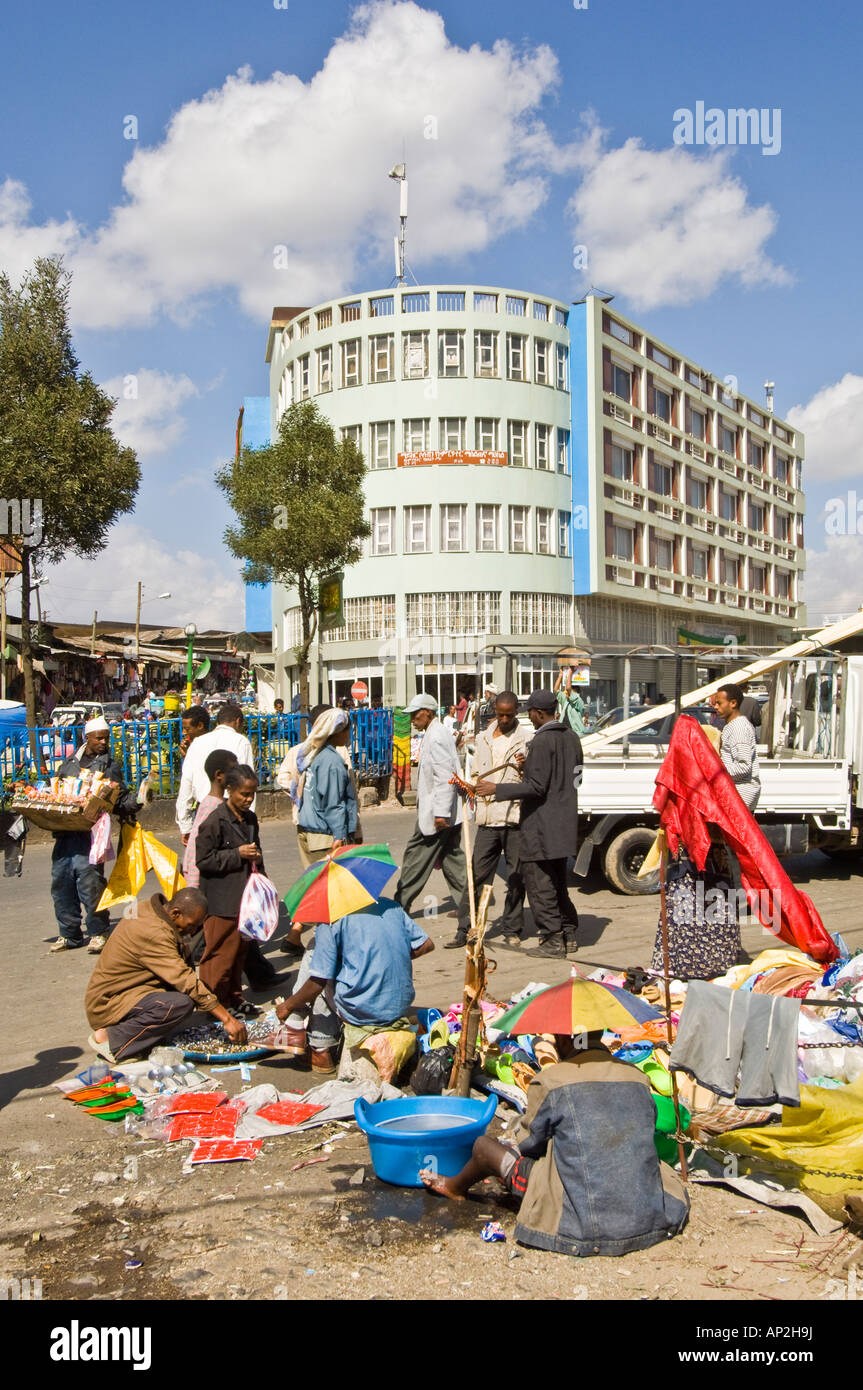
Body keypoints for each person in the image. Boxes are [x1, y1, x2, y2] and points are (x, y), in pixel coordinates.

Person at [420, 1031, 690, 1257]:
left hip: (581, 1226)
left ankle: (454, 1186)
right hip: (648, 1215)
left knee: (483, 1148)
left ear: (563, 1042)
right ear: (600, 1036)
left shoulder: (551, 1081)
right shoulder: (638, 1078)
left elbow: (528, 1145)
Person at [273, 896, 434, 1075]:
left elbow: (316, 983)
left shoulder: (331, 919)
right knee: (328, 962)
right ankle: (300, 1028)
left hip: (362, 1011)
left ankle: (319, 1047)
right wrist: (384, 958)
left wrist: (287, 1006)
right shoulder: (390, 906)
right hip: (398, 1005)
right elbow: (426, 944)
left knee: (315, 953)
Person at [85, 887, 248, 1063]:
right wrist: (227, 1019)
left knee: (190, 995)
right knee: (179, 1004)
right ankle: (111, 1040)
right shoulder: (154, 931)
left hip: (132, 990)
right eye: (191, 925)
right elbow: (184, 979)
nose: (193, 931)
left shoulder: (153, 910)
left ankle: (140, 1035)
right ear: (176, 913)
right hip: (108, 1003)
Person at [475, 689, 581, 958]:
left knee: (540, 885)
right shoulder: (572, 738)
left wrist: (495, 789)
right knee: (557, 882)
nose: (529, 719)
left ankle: (552, 940)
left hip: (540, 827)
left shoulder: (542, 741)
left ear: (537, 712)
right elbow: (576, 779)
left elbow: (536, 787)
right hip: (564, 824)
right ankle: (569, 932)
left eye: (530, 714)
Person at [450, 691, 533, 949]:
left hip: (514, 817)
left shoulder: (527, 740)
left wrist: (525, 766)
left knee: (517, 877)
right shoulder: (484, 738)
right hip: (487, 818)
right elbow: (476, 774)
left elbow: (533, 780)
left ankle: (512, 928)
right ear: (495, 712)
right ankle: (467, 928)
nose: (505, 719)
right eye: (500, 715)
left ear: (516, 712)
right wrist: (468, 787)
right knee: (476, 876)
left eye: (509, 715)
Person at [49, 717, 138, 955]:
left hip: (91, 837)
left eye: (106, 737)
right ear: (86, 738)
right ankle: (69, 934)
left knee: (91, 886)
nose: (103, 741)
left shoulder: (110, 765)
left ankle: (98, 931)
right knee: (61, 885)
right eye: (99, 737)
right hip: (65, 836)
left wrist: (137, 802)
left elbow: (118, 798)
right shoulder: (68, 764)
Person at [277, 707, 359, 962]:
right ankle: (330, 950)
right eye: (347, 729)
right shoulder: (332, 761)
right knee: (333, 898)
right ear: (338, 731)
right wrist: (339, 835)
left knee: (317, 889)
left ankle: (297, 935)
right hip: (324, 834)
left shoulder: (312, 754)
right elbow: (333, 803)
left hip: (307, 829)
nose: (349, 733)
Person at [195, 764, 263, 1018]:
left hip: (245, 899)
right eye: (243, 794)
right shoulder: (214, 821)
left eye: (252, 795)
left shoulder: (250, 819)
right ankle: (214, 1004)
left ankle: (234, 998)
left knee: (238, 954)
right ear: (230, 790)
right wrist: (237, 854)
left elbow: (257, 853)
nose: (248, 800)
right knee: (219, 955)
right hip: (220, 900)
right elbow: (203, 861)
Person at [394, 693, 467, 915]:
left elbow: (445, 777)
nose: (413, 719)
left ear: (427, 712)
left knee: (416, 857)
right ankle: (468, 902)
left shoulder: (436, 736)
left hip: (438, 813)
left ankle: (400, 904)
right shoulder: (434, 733)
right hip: (441, 810)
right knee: (451, 857)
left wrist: (440, 814)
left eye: (416, 714)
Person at [175, 702, 255, 842]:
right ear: (238, 722)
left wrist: (185, 825)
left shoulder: (198, 743)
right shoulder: (241, 741)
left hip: (203, 811)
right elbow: (247, 781)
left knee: (205, 858)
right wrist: (250, 819)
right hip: (233, 812)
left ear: (218, 722)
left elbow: (186, 785)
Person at [182, 748, 238, 890]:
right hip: (202, 882)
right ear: (219, 775)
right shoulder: (213, 807)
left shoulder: (211, 802)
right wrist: (193, 885)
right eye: (233, 771)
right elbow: (198, 846)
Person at [713, 683, 761, 811]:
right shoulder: (733, 725)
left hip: (740, 796)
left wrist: (714, 772)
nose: (716, 707)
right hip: (734, 794)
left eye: (719, 703)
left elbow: (743, 766)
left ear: (733, 703)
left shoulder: (739, 728)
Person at [554, 666, 587, 736]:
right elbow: (556, 690)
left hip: (576, 734)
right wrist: (560, 675)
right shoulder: (566, 701)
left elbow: (568, 688)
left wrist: (571, 672)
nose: (565, 692)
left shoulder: (578, 701)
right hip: (564, 734)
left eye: (568, 691)